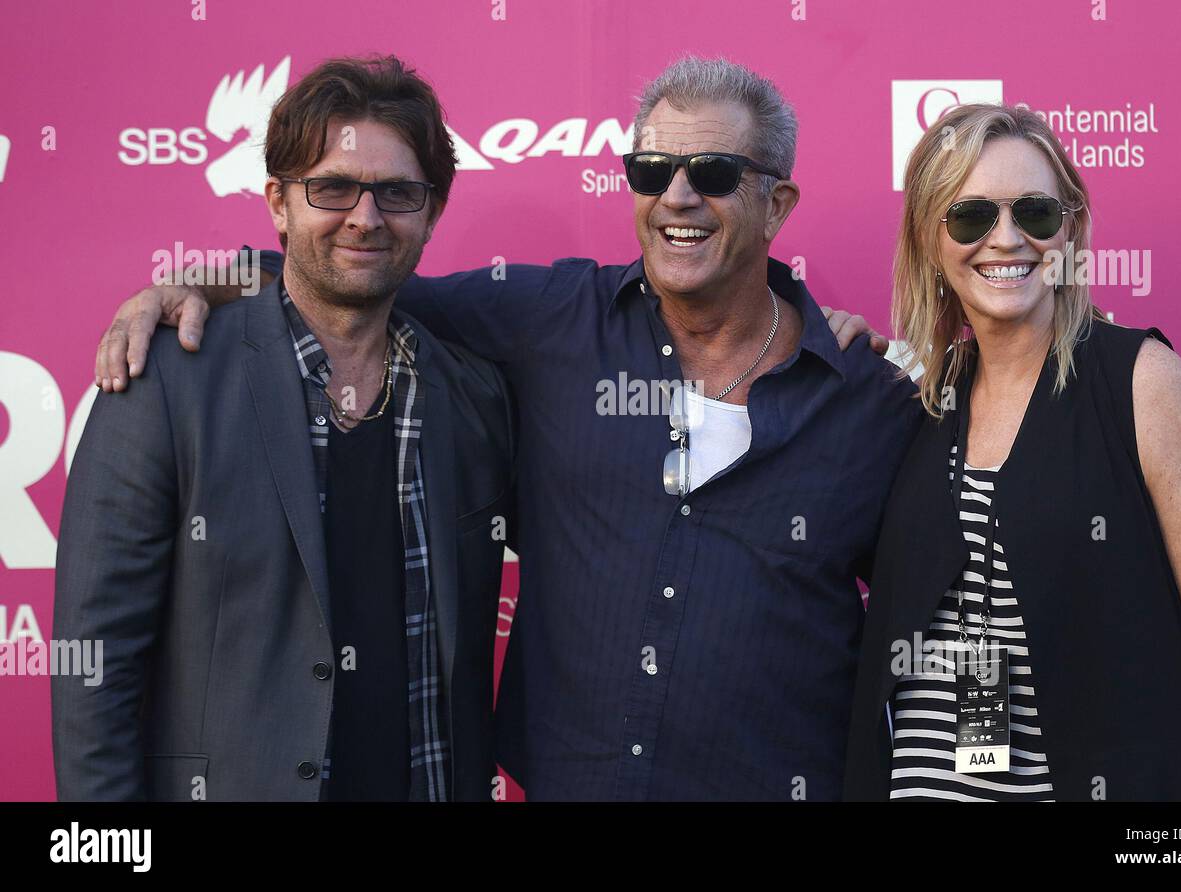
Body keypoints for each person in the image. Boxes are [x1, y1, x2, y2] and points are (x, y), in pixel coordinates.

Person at [92, 56, 911, 801]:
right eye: (652, 169)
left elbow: (947, 610)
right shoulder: (551, 321)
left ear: (779, 203)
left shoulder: (866, 400)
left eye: (715, 172)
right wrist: (208, 278)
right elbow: (359, 271)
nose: (678, 196)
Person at [53, 56, 515, 801]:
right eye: (332, 188)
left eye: (397, 193)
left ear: (430, 213)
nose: (365, 217)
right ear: (278, 201)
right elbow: (93, 660)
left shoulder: (473, 396)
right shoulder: (169, 381)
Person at [843, 103, 1181, 801]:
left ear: (1069, 230)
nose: (1006, 239)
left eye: (1036, 214)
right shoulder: (914, 399)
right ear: (930, 237)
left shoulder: (1138, 379)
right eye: (970, 216)